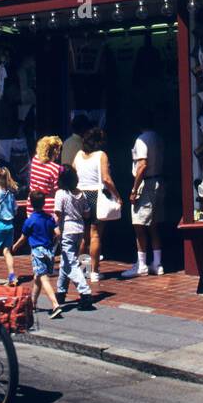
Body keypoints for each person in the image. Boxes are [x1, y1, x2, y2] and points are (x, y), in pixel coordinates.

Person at [73, 128, 122, 285]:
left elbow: (73, 175)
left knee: (83, 235)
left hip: (80, 195)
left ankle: (82, 269)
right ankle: (94, 271)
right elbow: (106, 178)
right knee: (95, 235)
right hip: (95, 195)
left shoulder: (79, 155)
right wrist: (117, 196)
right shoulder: (101, 155)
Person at [122, 117, 166, 278]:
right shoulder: (158, 137)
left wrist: (134, 189)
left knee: (139, 225)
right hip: (158, 181)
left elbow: (142, 164)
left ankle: (141, 264)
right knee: (154, 225)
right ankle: (157, 262)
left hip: (146, 183)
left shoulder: (142, 140)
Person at [12, 192, 64, 319]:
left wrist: (15, 246)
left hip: (37, 251)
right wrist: (54, 242)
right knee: (38, 277)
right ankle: (33, 303)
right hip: (49, 251)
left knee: (43, 278)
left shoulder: (30, 220)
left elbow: (24, 237)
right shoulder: (49, 218)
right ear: (44, 203)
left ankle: (55, 304)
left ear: (30, 203)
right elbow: (58, 233)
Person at [54, 166, 92, 309]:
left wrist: (55, 228)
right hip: (79, 229)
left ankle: (85, 292)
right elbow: (87, 213)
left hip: (67, 230)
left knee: (72, 263)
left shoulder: (61, 194)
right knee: (66, 261)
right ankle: (61, 291)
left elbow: (58, 213)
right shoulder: (81, 194)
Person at [0, 166, 19, 286]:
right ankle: (12, 275)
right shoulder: (10, 194)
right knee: (7, 252)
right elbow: (15, 210)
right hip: (10, 225)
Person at [27, 135, 63, 216]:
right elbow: (56, 191)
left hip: (31, 206)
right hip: (49, 208)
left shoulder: (34, 160)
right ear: (55, 151)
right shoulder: (56, 169)